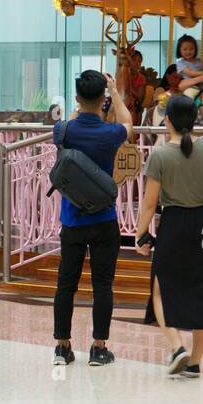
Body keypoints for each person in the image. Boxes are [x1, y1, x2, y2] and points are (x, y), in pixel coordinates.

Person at [134, 94, 203, 379]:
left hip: (174, 223)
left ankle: (177, 348)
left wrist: (140, 237)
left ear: (168, 120)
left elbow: (150, 203)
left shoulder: (160, 155)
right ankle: (196, 361)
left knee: (162, 287)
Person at [52, 70, 132, 367]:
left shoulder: (63, 130)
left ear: (76, 98)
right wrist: (115, 91)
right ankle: (99, 347)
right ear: (103, 99)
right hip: (103, 217)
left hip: (72, 219)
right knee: (102, 284)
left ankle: (62, 346)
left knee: (65, 284)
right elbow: (128, 124)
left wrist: (80, 106)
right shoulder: (109, 134)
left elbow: (70, 121)